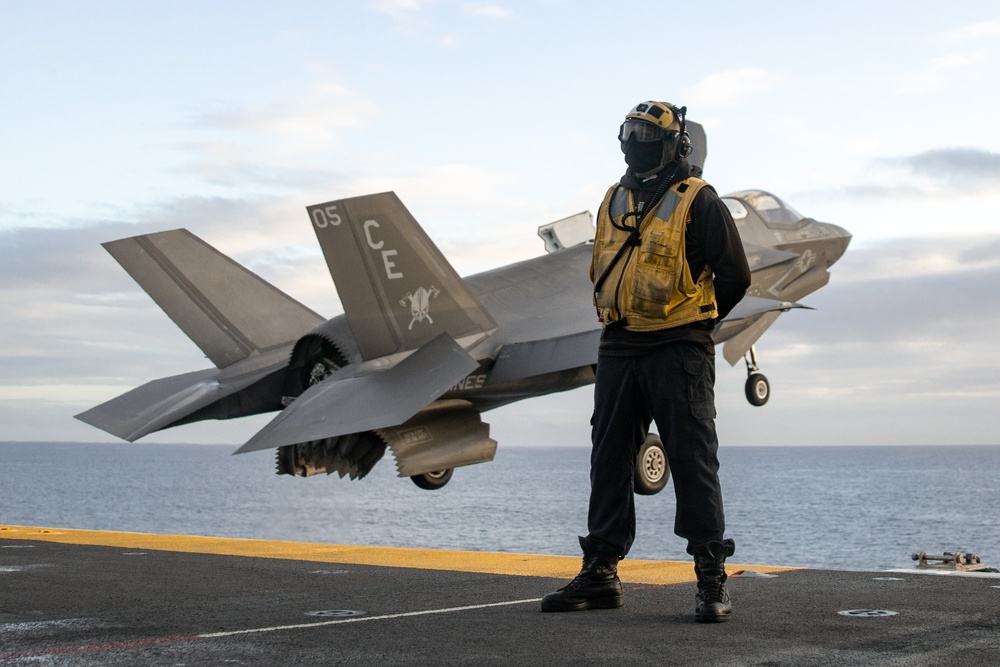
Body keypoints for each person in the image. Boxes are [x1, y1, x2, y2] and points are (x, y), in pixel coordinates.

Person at [541, 101, 751, 623]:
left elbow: (735, 276)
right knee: (608, 457)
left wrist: (697, 323)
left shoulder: (699, 201)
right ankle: (601, 574)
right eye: (629, 131)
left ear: (674, 143)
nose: (635, 141)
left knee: (692, 459)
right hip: (619, 344)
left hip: (678, 347)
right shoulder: (614, 197)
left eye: (645, 133)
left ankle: (710, 578)